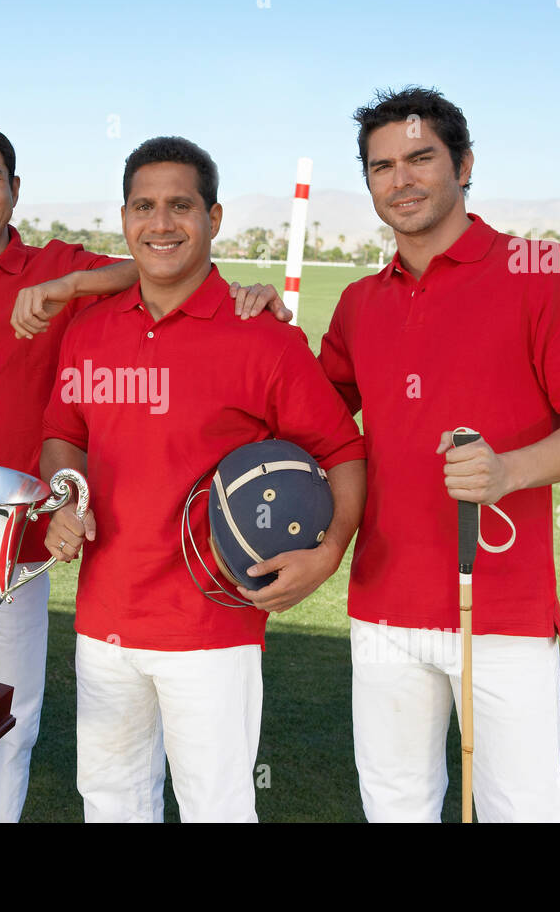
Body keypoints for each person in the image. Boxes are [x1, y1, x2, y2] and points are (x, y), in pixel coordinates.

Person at [0, 115, 289, 823]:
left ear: (15, 190)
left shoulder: (55, 266)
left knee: (7, 726)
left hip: (20, 549)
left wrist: (71, 285)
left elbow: (163, 259)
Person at [318, 87, 560, 822]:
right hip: (382, 604)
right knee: (394, 805)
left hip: (501, 608)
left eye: (421, 157)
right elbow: (314, 420)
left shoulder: (541, 271)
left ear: (463, 165)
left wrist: (509, 470)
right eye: (382, 166)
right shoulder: (360, 303)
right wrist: (257, 312)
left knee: (519, 808)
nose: (402, 179)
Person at [39, 136, 366, 822]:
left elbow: (342, 450)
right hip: (105, 621)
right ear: (124, 218)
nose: (161, 223)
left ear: (214, 219)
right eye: (144, 206)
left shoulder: (265, 338)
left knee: (215, 807)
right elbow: (62, 436)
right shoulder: (89, 332)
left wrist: (329, 551)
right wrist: (66, 495)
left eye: (180, 205)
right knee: (109, 802)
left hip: (213, 624)